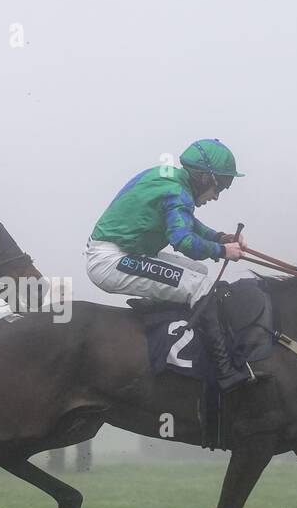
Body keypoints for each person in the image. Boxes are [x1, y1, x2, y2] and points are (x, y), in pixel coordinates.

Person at [84, 138, 252, 390]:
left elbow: (187, 222)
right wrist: (222, 251)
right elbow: (183, 240)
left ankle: (166, 325)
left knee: (199, 272)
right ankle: (225, 371)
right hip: (112, 259)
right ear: (205, 178)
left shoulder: (171, 178)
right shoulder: (177, 192)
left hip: (124, 251)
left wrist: (219, 238)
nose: (217, 196)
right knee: (201, 287)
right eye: (221, 186)